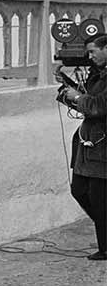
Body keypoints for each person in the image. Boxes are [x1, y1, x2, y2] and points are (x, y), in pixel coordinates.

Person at [56, 34, 107, 260]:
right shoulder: (97, 74)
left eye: (93, 51)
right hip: (88, 143)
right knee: (79, 190)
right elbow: (86, 103)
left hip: (102, 144)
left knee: (99, 197)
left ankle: (105, 247)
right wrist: (66, 88)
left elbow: (98, 106)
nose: (90, 56)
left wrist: (77, 97)